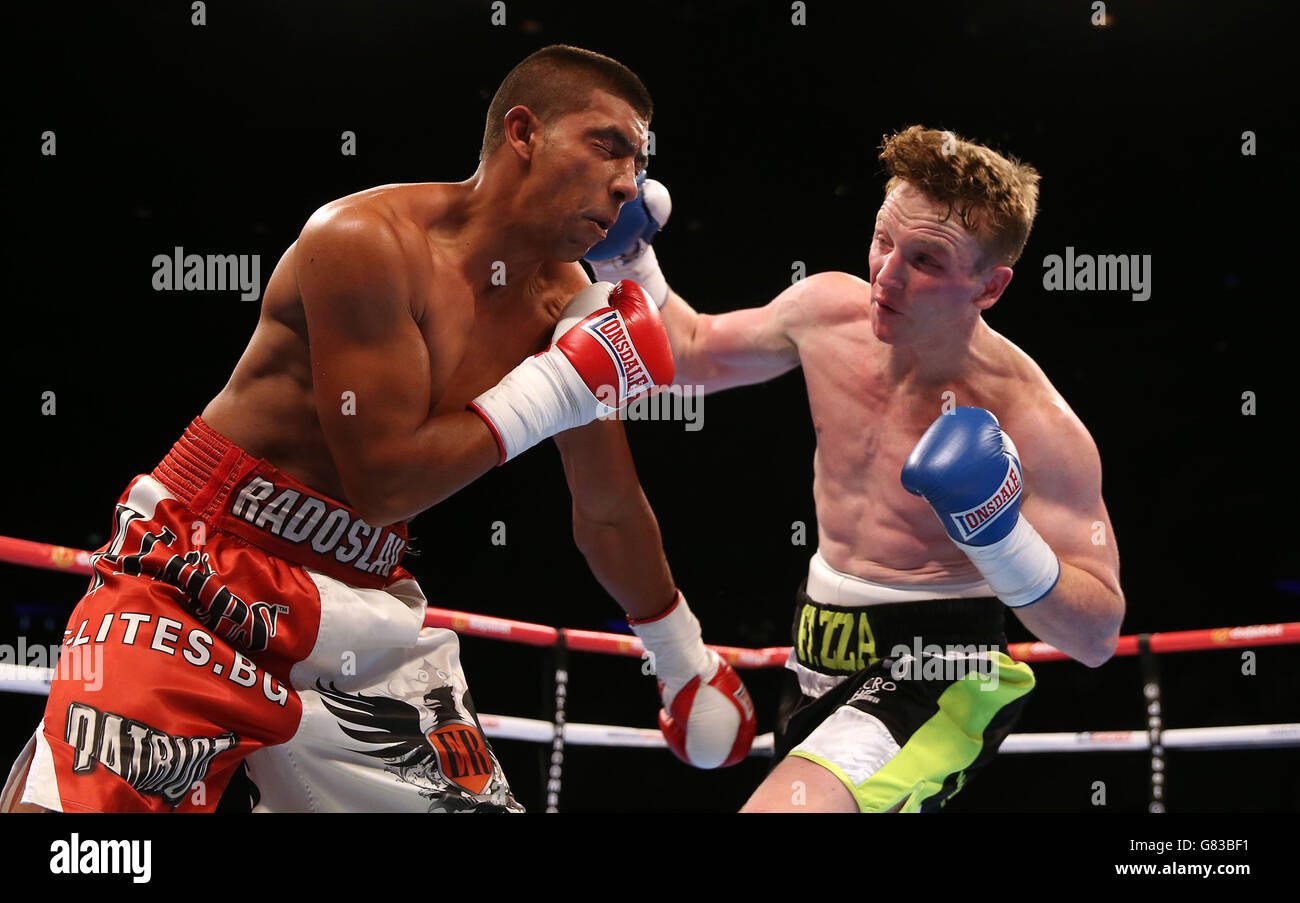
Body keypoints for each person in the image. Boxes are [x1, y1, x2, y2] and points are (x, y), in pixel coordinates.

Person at [3, 44, 754, 814]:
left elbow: (608, 508)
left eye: (640, 160)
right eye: (609, 146)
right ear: (523, 133)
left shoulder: (568, 308)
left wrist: (681, 658)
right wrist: (562, 382)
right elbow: (385, 479)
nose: (630, 182)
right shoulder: (367, 241)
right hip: (196, 571)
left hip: (362, 610)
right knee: (80, 847)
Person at [584, 125, 1125, 812]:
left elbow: (1097, 635)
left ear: (989, 286)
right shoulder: (824, 313)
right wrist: (628, 259)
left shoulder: (1032, 419)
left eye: (926, 260)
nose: (886, 275)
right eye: (883, 240)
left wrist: (999, 536)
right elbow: (686, 355)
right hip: (813, 653)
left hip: (940, 671)